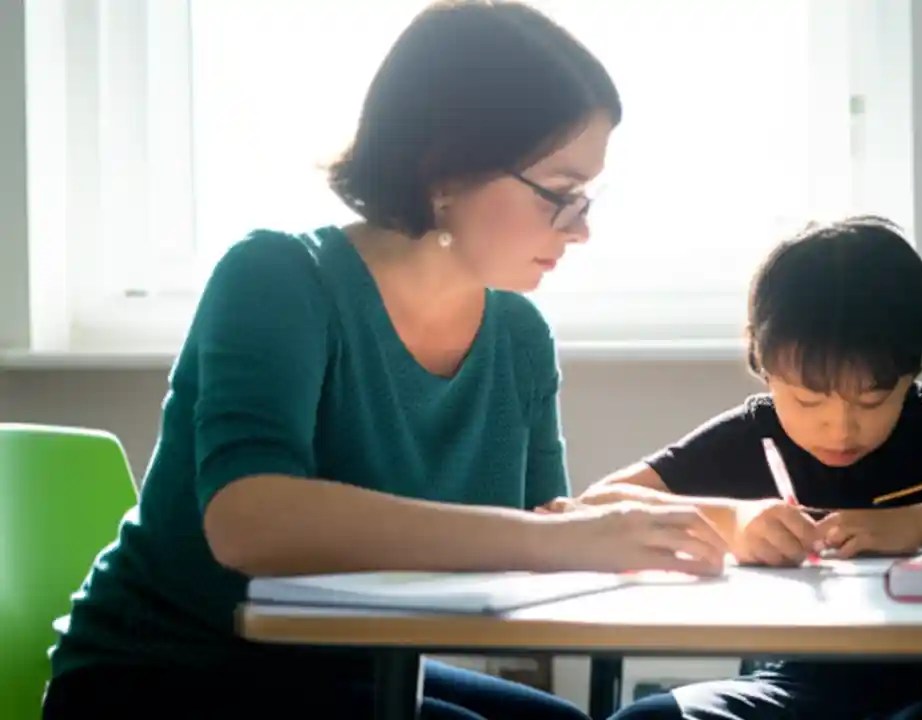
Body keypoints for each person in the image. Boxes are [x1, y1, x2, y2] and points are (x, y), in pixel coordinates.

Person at [41, 2, 727, 719]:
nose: (581, 229)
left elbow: (537, 532)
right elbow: (249, 520)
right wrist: (562, 536)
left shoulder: (519, 335)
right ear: (447, 168)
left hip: (342, 675)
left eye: (587, 197)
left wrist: (710, 526)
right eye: (560, 194)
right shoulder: (277, 277)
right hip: (168, 674)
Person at [546, 216, 922, 720]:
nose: (840, 428)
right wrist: (733, 521)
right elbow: (600, 504)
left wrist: (914, 525)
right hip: (788, 688)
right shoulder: (757, 434)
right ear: (761, 365)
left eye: (873, 400)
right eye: (808, 400)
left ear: (912, 369)